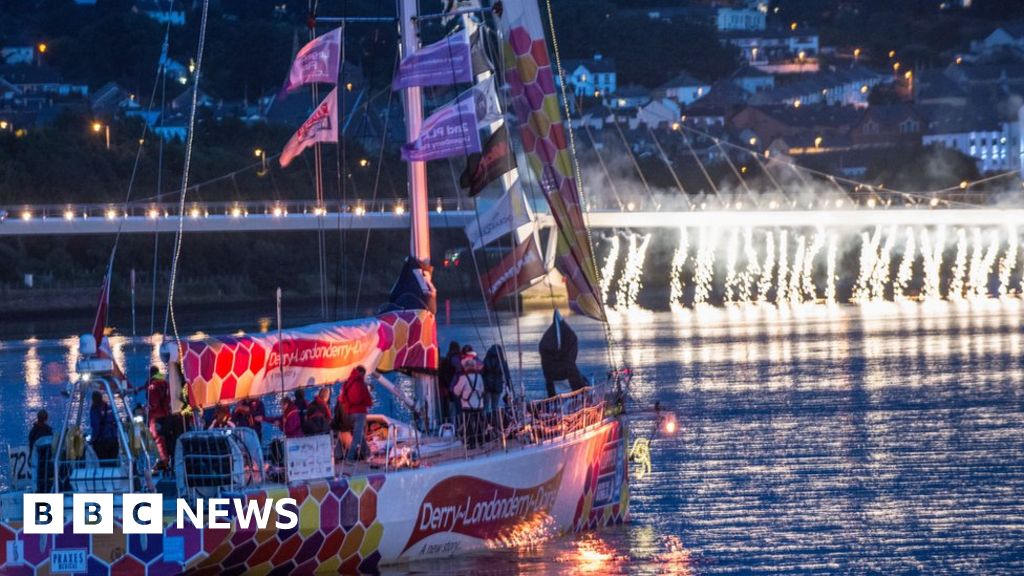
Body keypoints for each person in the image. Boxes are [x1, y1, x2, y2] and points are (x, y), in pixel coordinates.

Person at [134, 366, 171, 464]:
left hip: (156, 416)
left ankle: (163, 462)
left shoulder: (153, 386)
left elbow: (153, 403)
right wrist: (141, 388)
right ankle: (169, 460)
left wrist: (145, 409)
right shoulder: (164, 381)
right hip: (166, 414)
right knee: (166, 438)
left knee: (158, 440)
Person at [453, 350, 485, 448]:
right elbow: (482, 389)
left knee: (469, 424)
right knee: (479, 423)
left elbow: (456, 391)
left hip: (467, 405)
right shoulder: (479, 377)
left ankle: (471, 444)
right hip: (479, 404)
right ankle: (481, 441)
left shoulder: (463, 378)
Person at [342, 366, 373, 461]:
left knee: (359, 434)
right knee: (357, 436)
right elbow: (368, 400)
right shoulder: (361, 384)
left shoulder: (347, 383)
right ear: (362, 373)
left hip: (349, 413)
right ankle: (350, 457)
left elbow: (342, 397)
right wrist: (368, 403)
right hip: (359, 412)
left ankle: (367, 453)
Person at [89, 391, 118, 466]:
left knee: (104, 462)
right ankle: (114, 475)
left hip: (102, 441)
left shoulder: (95, 409)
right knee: (113, 462)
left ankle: (105, 475)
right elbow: (117, 422)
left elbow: (96, 426)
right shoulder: (109, 407)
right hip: (114, 439)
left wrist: (93, 439)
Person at [28, 410, 53, 492]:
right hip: (47, 462)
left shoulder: (33, 432)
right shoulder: (48, 431)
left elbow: (31, 446)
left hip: (37, 462)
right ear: (46, 418)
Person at [482, 344, 510, 415]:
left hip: (486, 385)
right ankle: (495, 421)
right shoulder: (503, 362)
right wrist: (508, 389)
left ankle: (485, 422)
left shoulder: (486, 360)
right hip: (497, 385)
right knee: (495, 406)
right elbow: (507, 376)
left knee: (485, 406)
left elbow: (482, 373)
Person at [438, 341, 460, 423]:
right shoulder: (456, 358)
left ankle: (446, 421)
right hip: (453, 386)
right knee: (453, 407)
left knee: (447, 407)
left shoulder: (447, 358)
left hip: (445, 386)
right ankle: (453, 423)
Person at [331, 382, 354, 458]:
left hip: (342, 427)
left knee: (342, 451)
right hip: (345, 428)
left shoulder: (341, 400)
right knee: (351, 451)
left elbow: (337, 414)